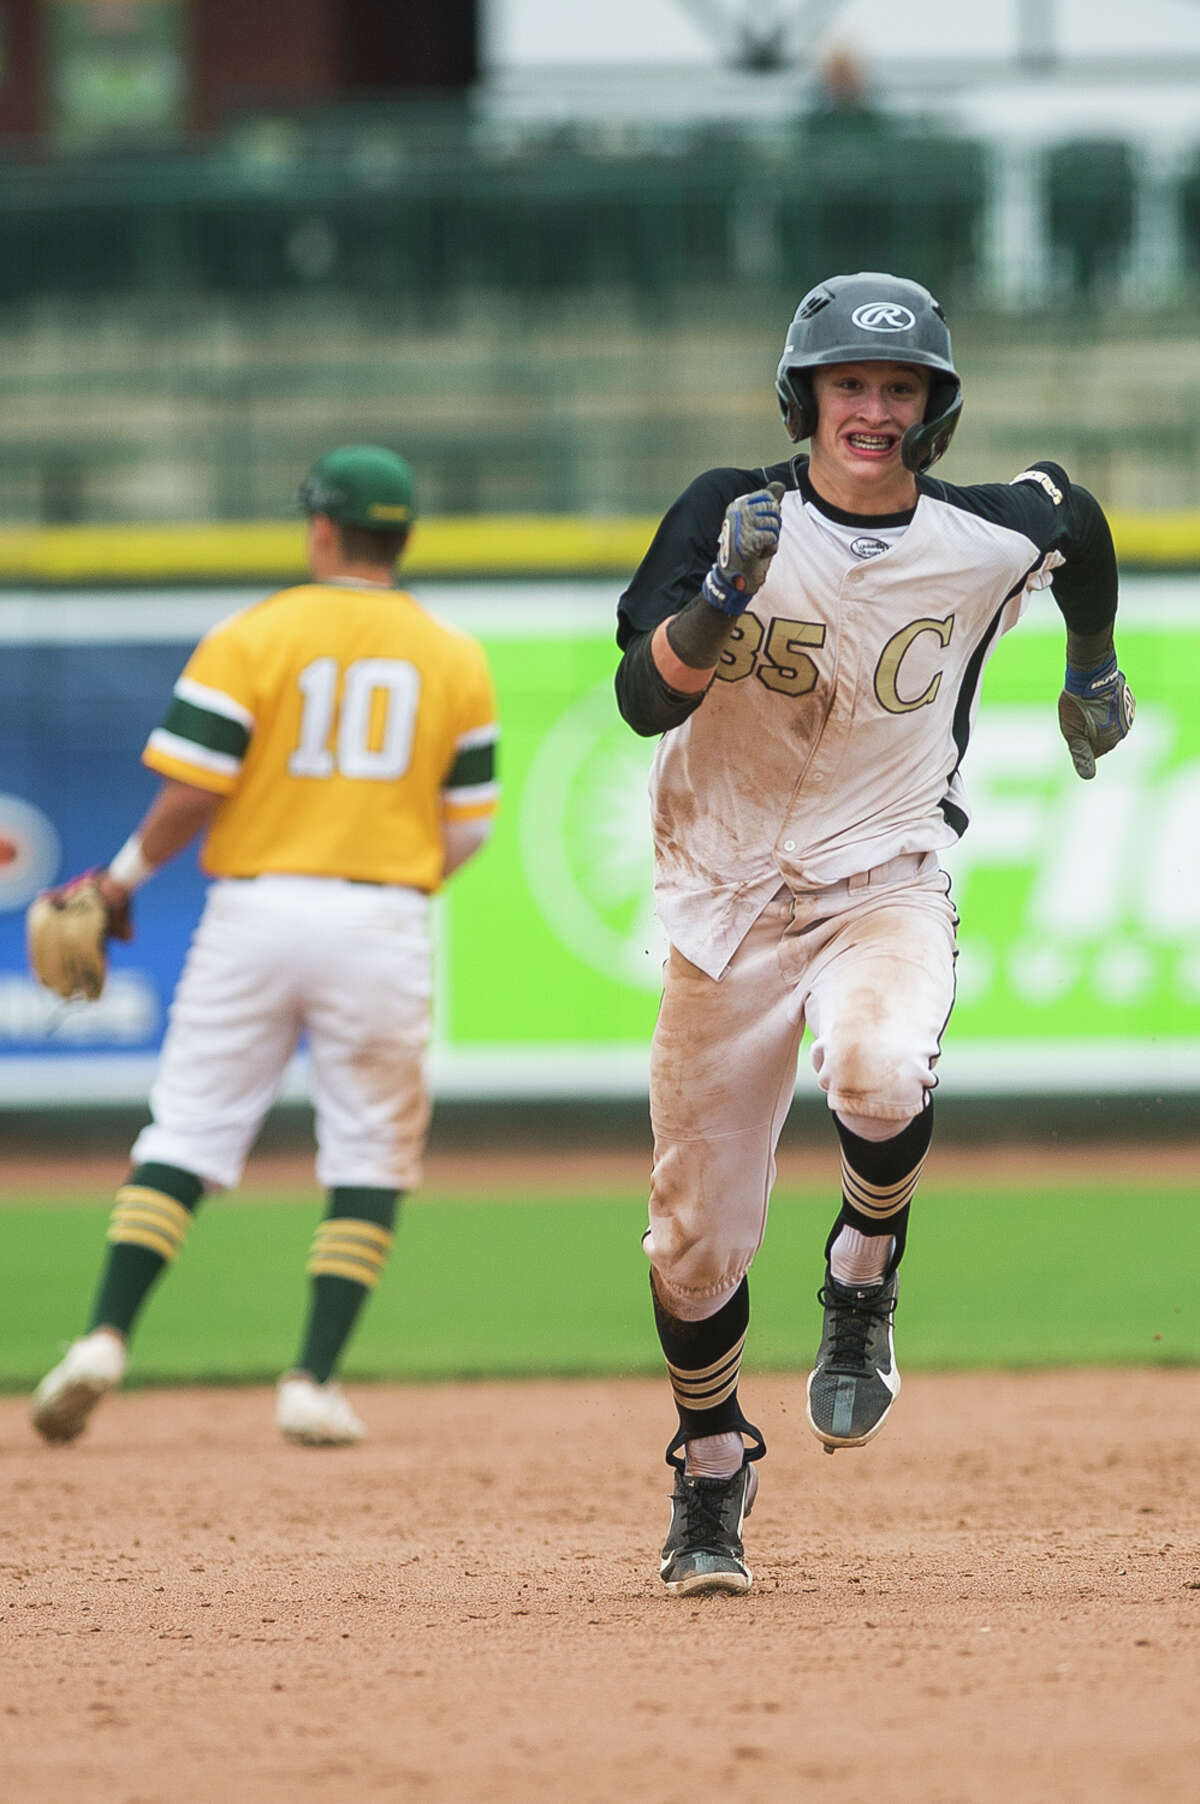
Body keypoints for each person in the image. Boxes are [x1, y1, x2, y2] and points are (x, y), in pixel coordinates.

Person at [614, 272, 1134, 1595]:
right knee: (692, 1243)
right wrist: (722, 592)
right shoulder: (730, 514)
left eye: (901, 389)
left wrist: (1093, 667)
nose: (874, 410)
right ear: (806, 398)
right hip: (724, 906)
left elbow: (1072, 512)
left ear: (934, 410)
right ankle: (712, 1462)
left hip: (885, 877)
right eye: (849, 384)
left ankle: (862, 1270)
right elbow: (641, 700)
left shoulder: (979, 535)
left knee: (882, 1069)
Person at [30, 445, 500, 1448]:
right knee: (370, 1149)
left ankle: (105, 1335)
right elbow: (468, 827)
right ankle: (312, 1380)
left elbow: (194, 787)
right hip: (382, 914)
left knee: (189, 1131)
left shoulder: (256, 632)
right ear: (404, 537)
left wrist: (116, 882)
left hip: (256, 908)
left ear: (320, 527)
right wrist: (391, 877)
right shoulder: (454, 654)